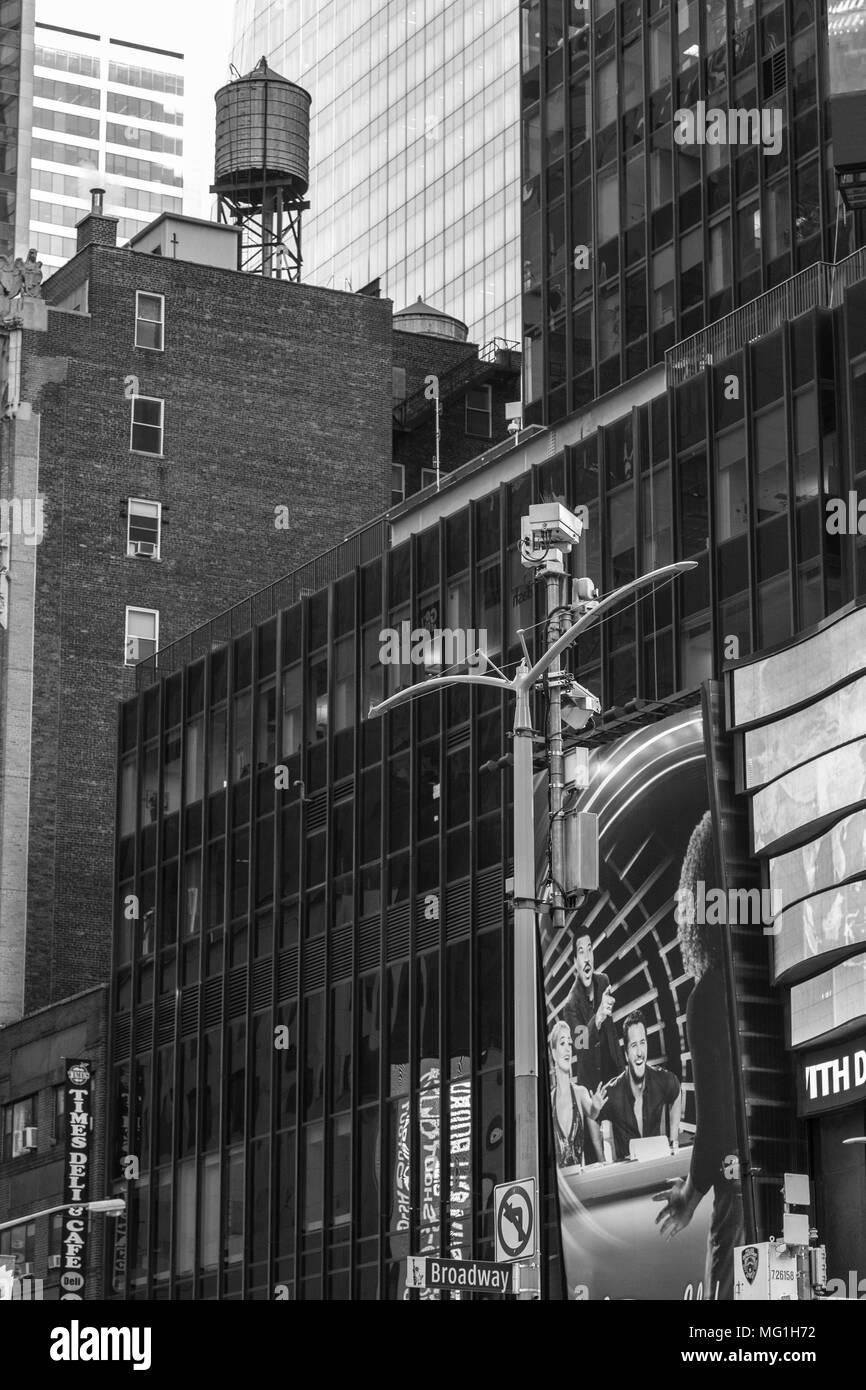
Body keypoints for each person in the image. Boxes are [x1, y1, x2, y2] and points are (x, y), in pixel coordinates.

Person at [654, 811, 745, 1300]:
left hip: (741, 1194)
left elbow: (715, 1128)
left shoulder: (709, 996)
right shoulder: (776, 963)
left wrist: (689, 1193)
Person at [595, 1011, 682, 1161]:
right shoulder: (612, 1091)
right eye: (634, 1045)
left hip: (655, 1166)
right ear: (626, 1053)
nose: (640, 1052)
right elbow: (592, 1117)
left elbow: (676, 1090)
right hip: (627, 1176)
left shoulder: (662, 1080)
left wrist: (673, 1141)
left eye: (643, 1043)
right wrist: (602, 1160)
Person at [561, 929, 621, 1094]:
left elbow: (612, 1035)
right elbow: (582, 1047)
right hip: (592, 1091)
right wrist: (598, 1017)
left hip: (616, 1080)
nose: (587, 958)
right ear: (575, 961)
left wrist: (624, 1073)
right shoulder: (570, 1005)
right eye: (581, 952)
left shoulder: (603, 981)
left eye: (589, 949)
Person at [548, 1019, 606, 1168]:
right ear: (553, 1053)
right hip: (559, 1183)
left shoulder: (580, 1093)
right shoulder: (549, 1101)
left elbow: (592, 1113)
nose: (568, 1048)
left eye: (569, 1043)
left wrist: (596, 1106)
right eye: (562, 1043)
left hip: (580, 1180)